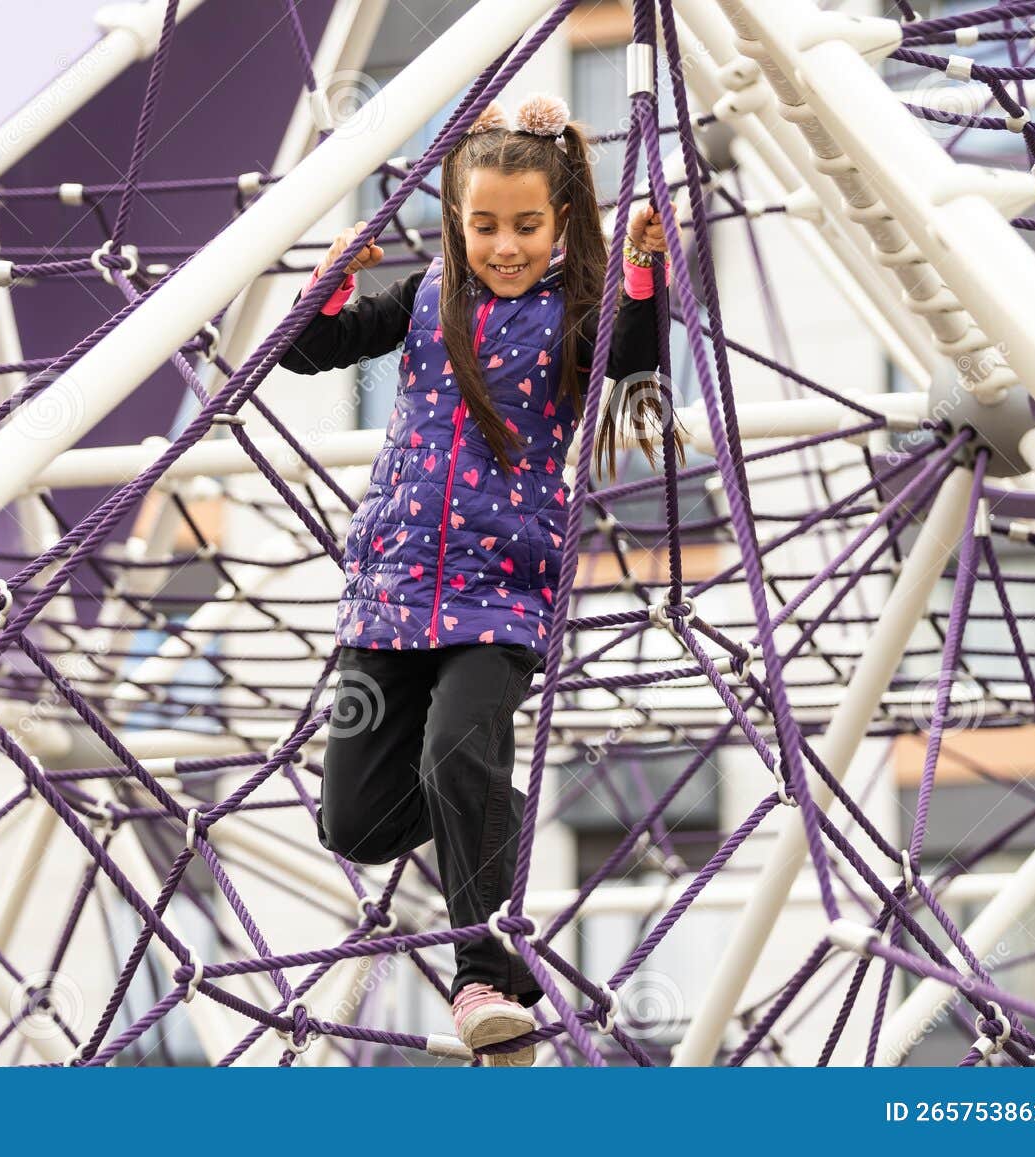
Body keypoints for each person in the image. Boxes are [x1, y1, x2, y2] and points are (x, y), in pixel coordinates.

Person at [279, 93, 680, 1066]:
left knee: (461, 747)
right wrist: (328, 282)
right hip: (393, 584)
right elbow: (306, 350)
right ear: (457, 221)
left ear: (558, 223)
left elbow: (631, 364)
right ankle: (470, 794)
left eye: (526, 226)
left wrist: (640, 272)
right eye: (485, 224)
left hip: (498, 590)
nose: (505, 245)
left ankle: (486, 972)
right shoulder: (427, 299)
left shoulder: (569, 315)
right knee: (358, 820)